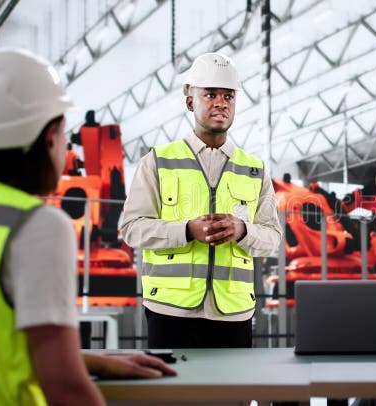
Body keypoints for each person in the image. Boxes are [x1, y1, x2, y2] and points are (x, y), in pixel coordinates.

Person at [0, 49, 175, 405]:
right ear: (48, 137)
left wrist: (89, 359)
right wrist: (74, 366)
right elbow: (66, 389)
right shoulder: (36, 225)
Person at [121, 52, 282, 348]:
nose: (221, 102)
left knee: (232, 397)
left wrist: (242, 230)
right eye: (210, 94)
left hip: (233, 314)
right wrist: (186, 230)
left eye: (228, 96)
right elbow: (131, 228)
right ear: (190, 101)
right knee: (174, 396)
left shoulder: (255, 170)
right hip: (170, 312)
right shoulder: (157, 162)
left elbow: (272, 238)